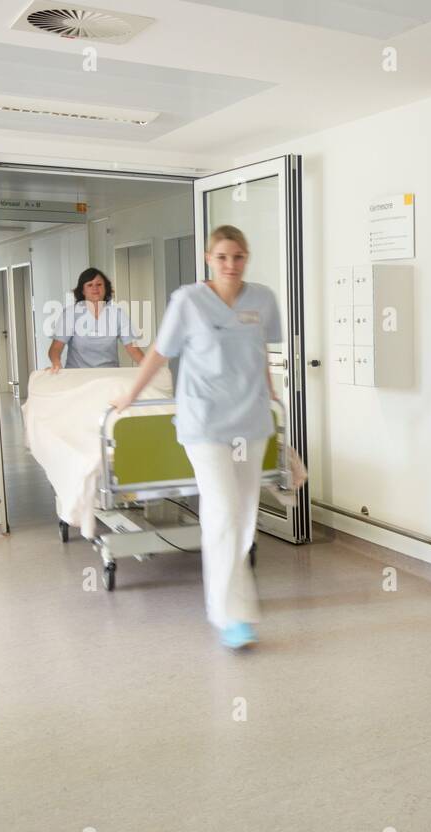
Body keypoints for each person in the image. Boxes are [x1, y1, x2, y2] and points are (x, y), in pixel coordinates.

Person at [112, 225, 282, 650]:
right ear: (209, 258)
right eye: (222, 257)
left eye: (238, 256)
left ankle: (231, 607)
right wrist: (130, 395)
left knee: (243, 519)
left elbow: (260, 348)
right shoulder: (188, 301)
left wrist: (271, 390)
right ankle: (229, 615)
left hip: (251, 422)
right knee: (223, 513)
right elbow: (159, 352)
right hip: (204, 422)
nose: (231, 265)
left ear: (247, 258)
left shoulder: (263, 298)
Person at [49, 268, 144, 370]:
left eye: (99, 284)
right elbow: (56, 348)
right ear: (82, 290)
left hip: (108, 376)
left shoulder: (117, 314)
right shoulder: (70, 314)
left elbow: (133, 349)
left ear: (106, 288)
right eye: (89, 285)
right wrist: (56, 363)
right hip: (78, 377)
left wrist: (150, 369)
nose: (95, 288)